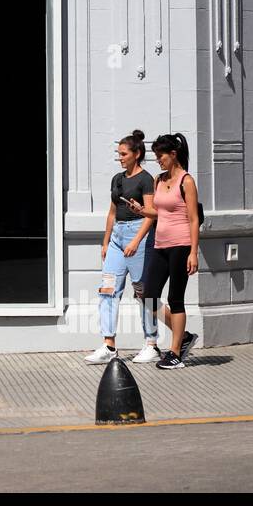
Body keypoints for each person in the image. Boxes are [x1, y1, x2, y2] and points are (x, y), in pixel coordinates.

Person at [85, 130, 159, 364]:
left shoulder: (146, 179)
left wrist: (136, 241)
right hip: (117, 236)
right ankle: (109, 345)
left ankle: (151, 344)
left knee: (143, 292)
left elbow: (151, 214)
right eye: (118, 154)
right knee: (108, 290)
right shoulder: (117, 179)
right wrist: (106, 241)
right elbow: (112, 212)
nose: (120, 158)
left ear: (136, 154)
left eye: (124, 154)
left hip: (139, 236)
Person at [136, 132, 200, 368]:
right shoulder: (158, 180)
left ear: (173, 155)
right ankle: (183, 337)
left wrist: (194, 252)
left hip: (181, 246)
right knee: (148, 295)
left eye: (160, 156)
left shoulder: (187, 181)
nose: (158, 160)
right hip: (160, 245)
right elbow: (158, 212)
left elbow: (193, 219)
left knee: (175, 298)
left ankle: (175, 353)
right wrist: (141, 210)